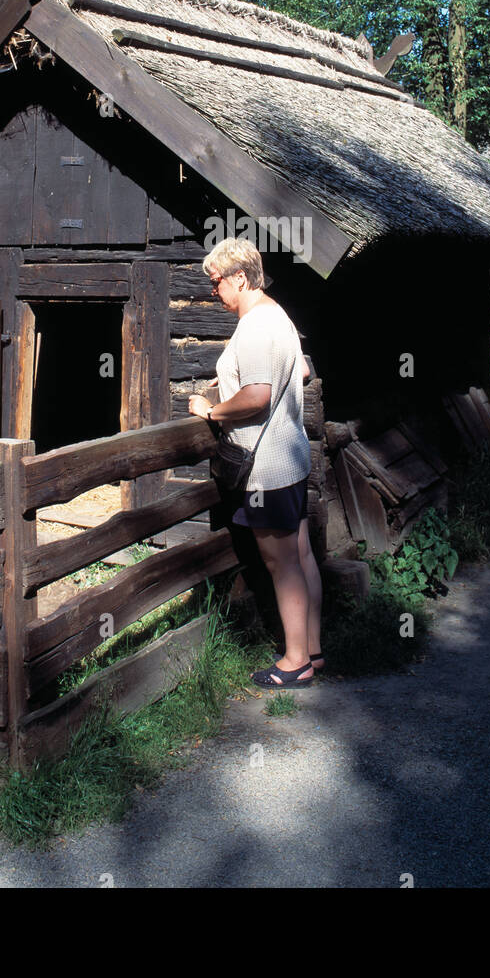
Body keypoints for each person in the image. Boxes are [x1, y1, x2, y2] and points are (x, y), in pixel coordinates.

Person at [187, 238, 320, 688]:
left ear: (239, 278)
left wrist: (212, 410)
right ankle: (312, 650)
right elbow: (299, 371)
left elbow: (259, 396)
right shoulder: (275, 315)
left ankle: (295, 661)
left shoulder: (256, 326)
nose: (214, 292)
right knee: (300, 554)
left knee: (282, 564)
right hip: (291, 456)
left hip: (267, 467)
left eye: (216, 283)